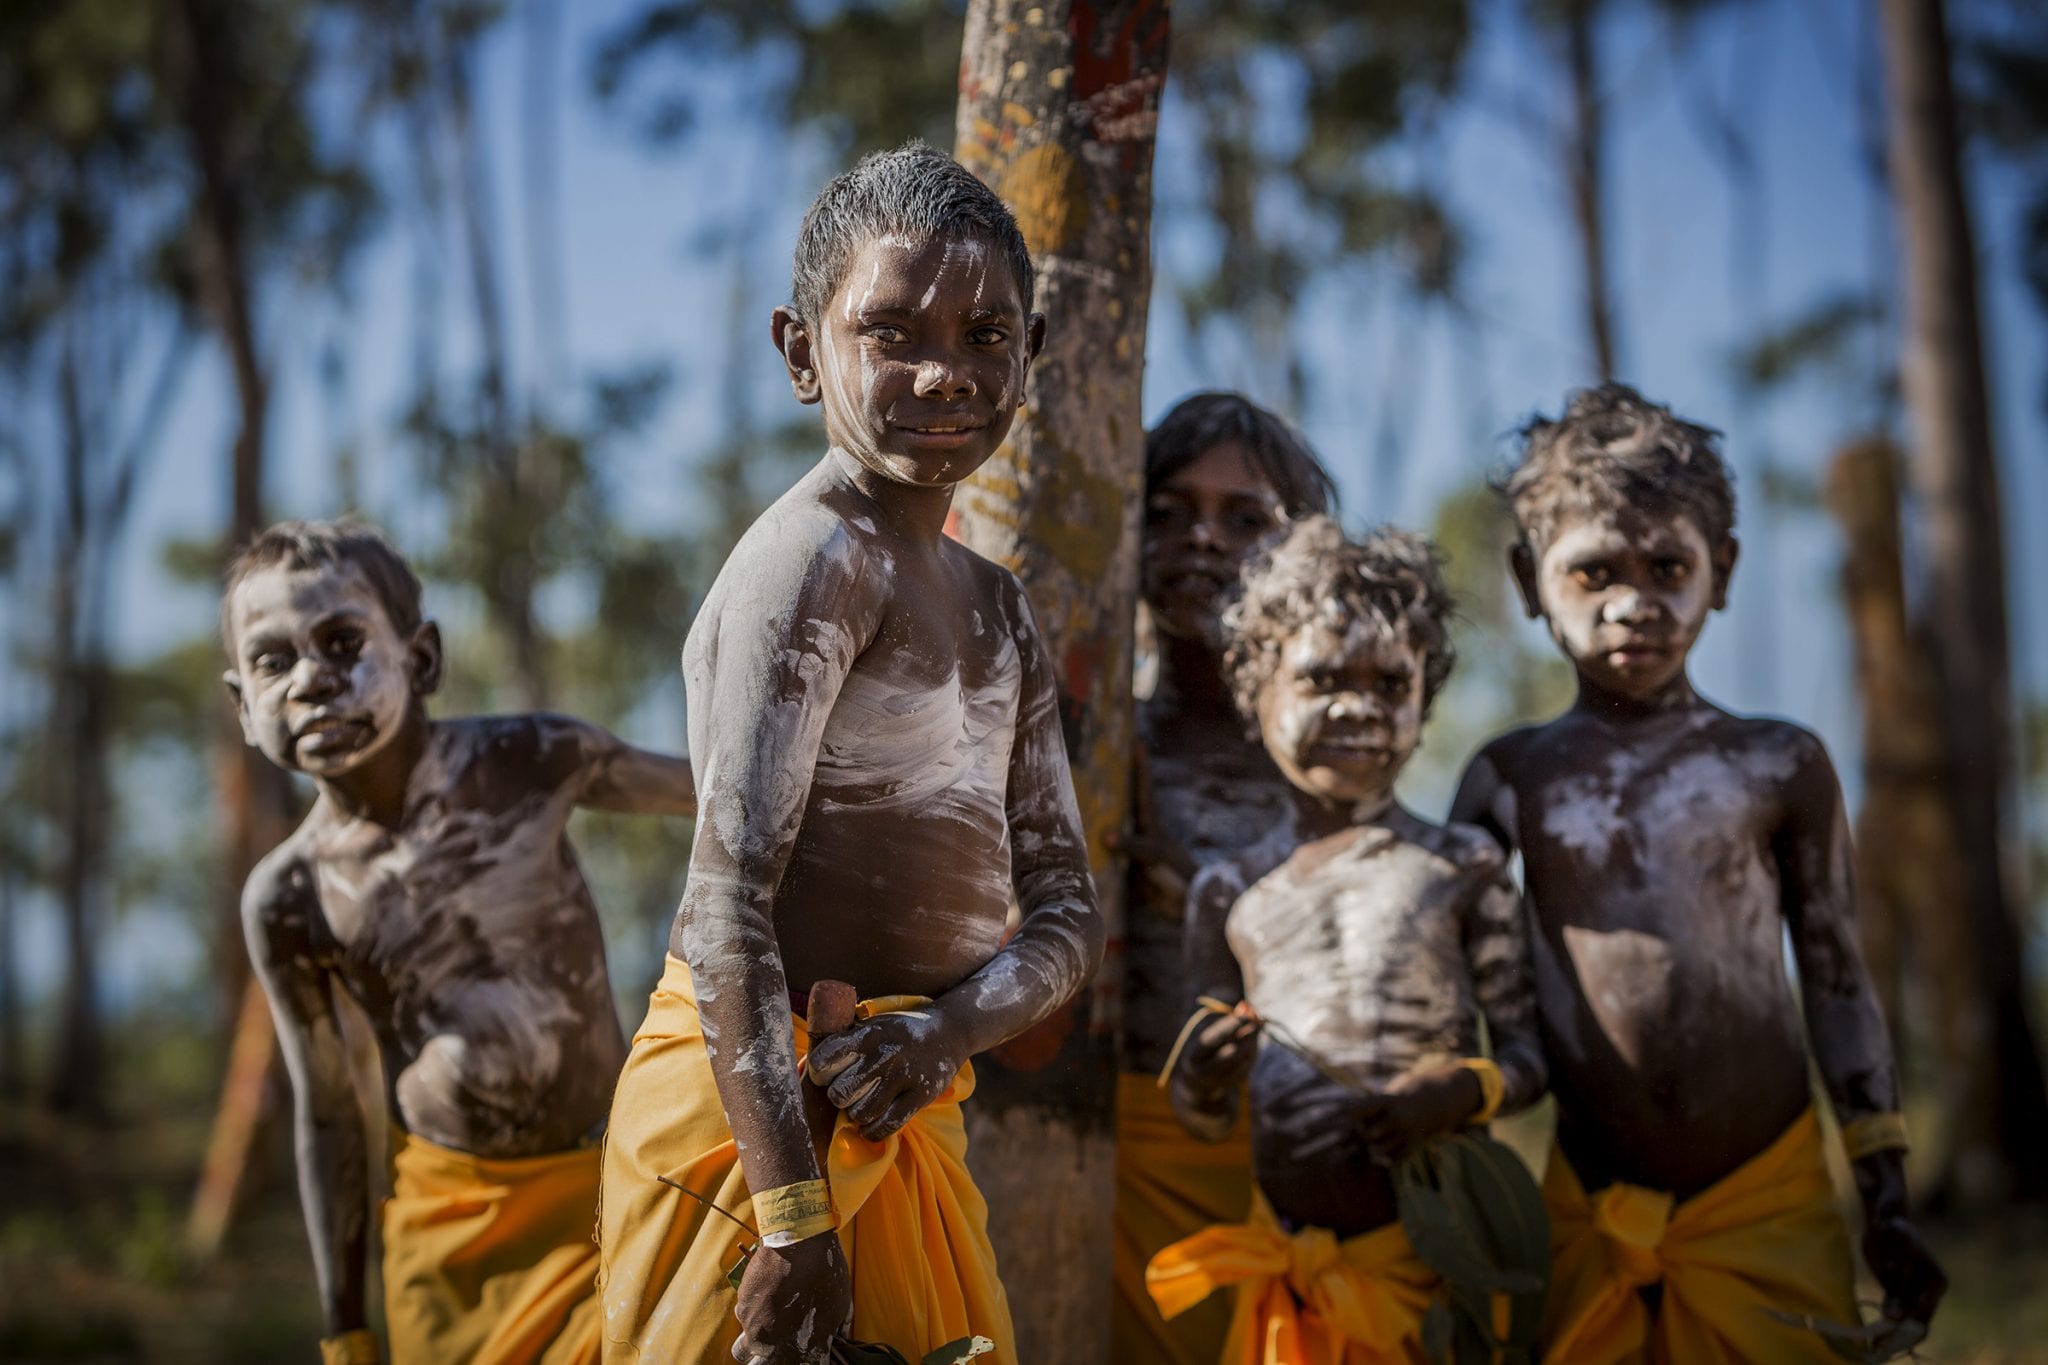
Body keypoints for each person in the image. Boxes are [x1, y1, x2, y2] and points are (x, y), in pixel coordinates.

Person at [595, 142, 1101, 1365]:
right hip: (755, 1136)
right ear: (797, 354)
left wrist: (938, 1036)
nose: (945, 370)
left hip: (898, 1106)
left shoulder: (998, 607)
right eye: (891, 332)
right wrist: (790, 1218)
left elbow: (1068, 916)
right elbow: (726, 917)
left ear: (1029, 359)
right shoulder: (806, 565)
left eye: (987, 335)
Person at [1449, 384, 1947, 1364]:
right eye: (1592, 573)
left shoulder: (1777, 764)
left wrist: (1883, 1191)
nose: (1631, 602)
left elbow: (1837, 978)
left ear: (1719, 572)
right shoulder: (1510, 777)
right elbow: (1440, 979)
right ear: (1524, 580)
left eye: (1664, 566)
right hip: (1581, 1204)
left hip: (1765, 1200)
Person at [224, 518, 697, 1365]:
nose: (309, 681)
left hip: (617, 1188)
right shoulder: (288, 896)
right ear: (241, 706)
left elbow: (723, 799)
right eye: (272, 660)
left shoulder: (532, 760)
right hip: (452, 1241)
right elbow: (328, 1111)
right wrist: (344, 1327)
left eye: (341, 642)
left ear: (423, 658)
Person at [1148, 517, 1545, 1363]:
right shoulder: (1229, 891)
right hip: (1289, 1272)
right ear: (1259, 691)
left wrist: (1455, 1093)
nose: (1358, 706)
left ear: (1424, 697)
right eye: (1324, 676)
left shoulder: (1463, 865)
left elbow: (1528, 1060)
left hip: (1437, 1271)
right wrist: (1206, 1077)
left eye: (1389, 683)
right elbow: (1203, 1115)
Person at [1116, 393, 1340, 1365]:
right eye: (1166, 513)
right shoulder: (1084, 748)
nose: (1200, 540)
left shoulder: (1336, 769)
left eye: (1243, 518)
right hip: (1100, 1189)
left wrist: (1217, 910)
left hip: (1289, 1200)